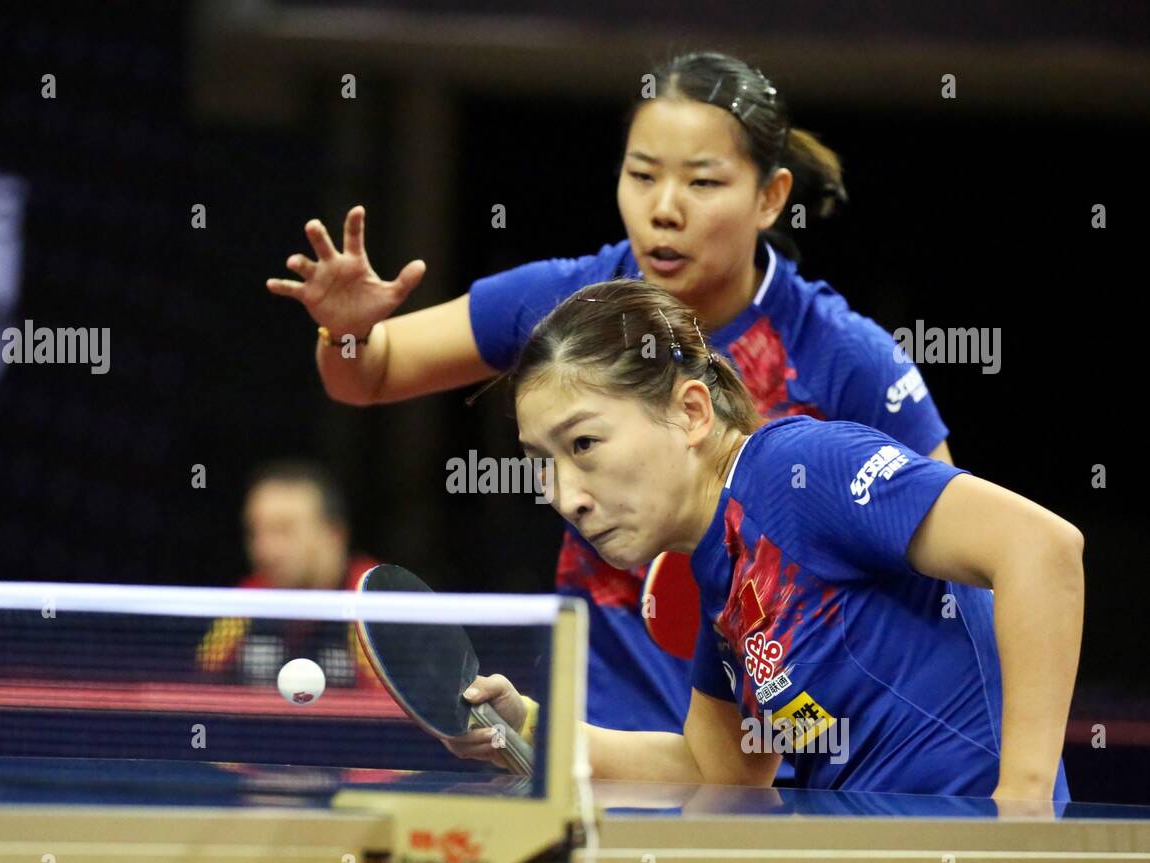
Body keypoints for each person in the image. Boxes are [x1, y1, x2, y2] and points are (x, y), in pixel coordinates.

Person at [267, 51, 953, 742]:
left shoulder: (840, 353)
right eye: (642, 175)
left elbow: (948, 567)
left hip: (777, 742)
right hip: (601, 728)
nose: (663, 209)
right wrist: (348, 332)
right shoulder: (566, 304)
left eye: (704, 181)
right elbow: (368, 375)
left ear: (771, 197)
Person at [458, 280, 1078, 803]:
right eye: (544, 461)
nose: (565, 497)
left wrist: (1022, 811)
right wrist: (529, 729)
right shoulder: (719, 573)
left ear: (692, 412)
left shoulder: (798, 467)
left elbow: (1040, 547)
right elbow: (716, 771)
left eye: (584, 444)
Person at [197, 460, 377, 686]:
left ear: (334, 534)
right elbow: (202, 689)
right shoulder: (244, 605)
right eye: (255, 532)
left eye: (284, 530)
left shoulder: (375, 608)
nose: (265, 550)